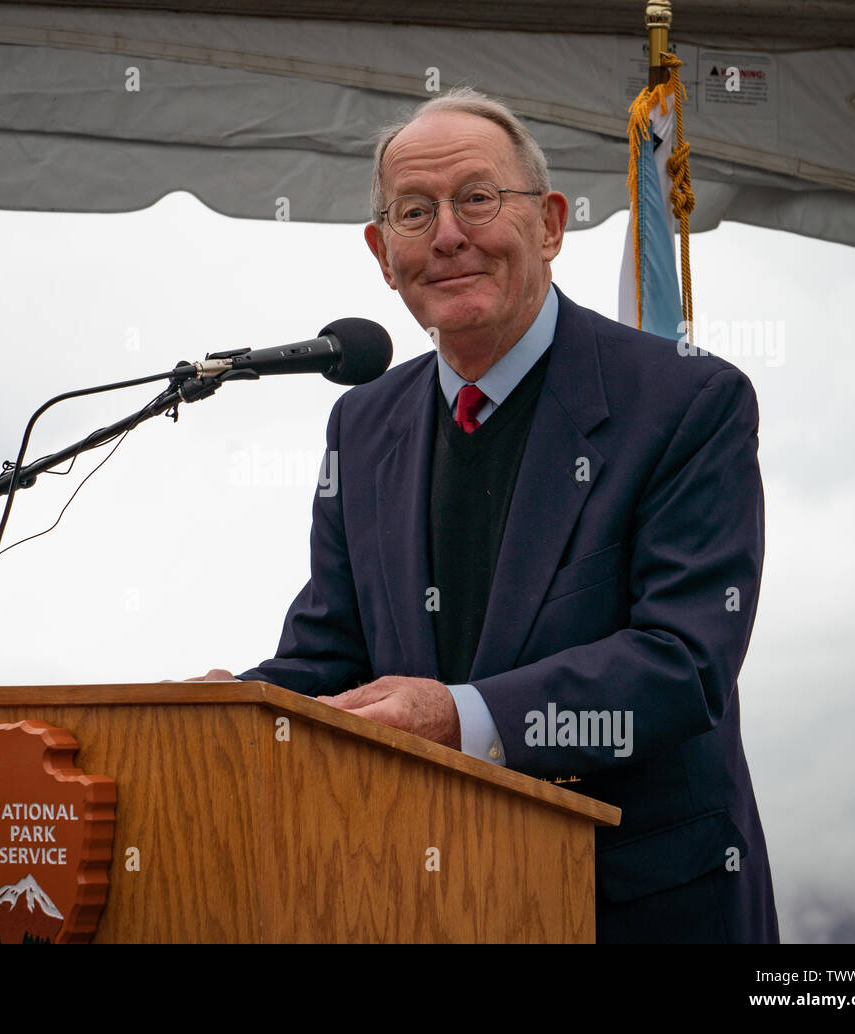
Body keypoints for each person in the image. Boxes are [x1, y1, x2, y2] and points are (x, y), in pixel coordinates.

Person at [192, 87, 778, 944]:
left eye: (475, 199)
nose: (448, 235)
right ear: (382, 254)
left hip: (635, 907)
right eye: (414, 212)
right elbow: (333, 656)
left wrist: (466, 718)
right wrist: (229, 714)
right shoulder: (361, 423)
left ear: (547, 224)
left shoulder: (690, 401)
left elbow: (683, 663)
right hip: (424, 901)